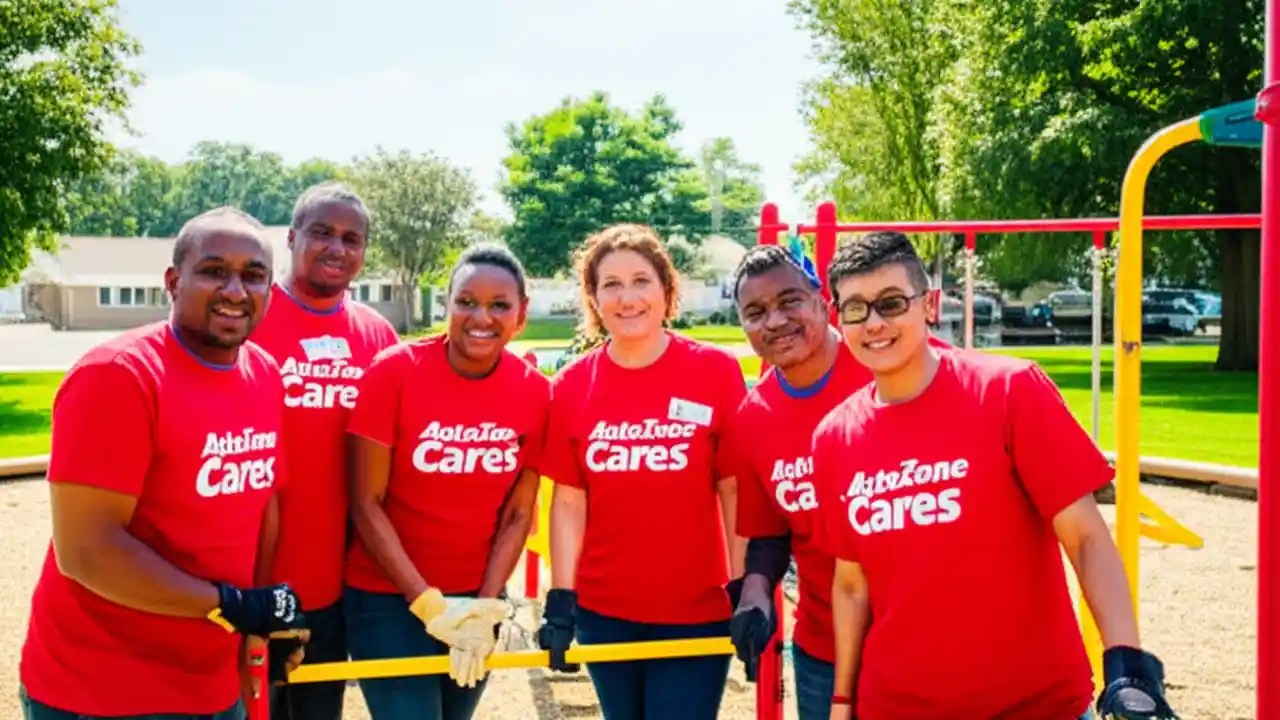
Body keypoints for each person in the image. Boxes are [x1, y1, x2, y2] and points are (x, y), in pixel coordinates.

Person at [811, 231, 1178, 720]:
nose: (874, 322)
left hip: (1032, 706)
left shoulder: (1009, 392)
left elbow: (1086, 539)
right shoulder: (834, 437)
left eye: (892, 302)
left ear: (929, 305)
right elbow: (852, 584)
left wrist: (1128, 663)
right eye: (855, 308)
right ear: (839, 318)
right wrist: (842, 701)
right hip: (895, 707)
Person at [17, 207, 308, 720]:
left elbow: (262, 509)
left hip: (213, 683)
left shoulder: (263, 373)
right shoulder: (117, 377)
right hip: (105, 690)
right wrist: (232, 605)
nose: (236, 290)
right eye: (215, 270)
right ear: (174, 282)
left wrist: (256, 624)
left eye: (254, 275)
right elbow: (88, 552)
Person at [536, 224, 748, 720]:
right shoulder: (571, 386)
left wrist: (744, 592)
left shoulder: (714, 372)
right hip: (604, 612)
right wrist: (561, 599)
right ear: (593, 298)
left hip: (696, 611)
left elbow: (734, 491)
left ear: (666, 290)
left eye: (641, 281)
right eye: (610, 285)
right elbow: (568, 502)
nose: (627, 297)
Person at [344, 242, 550, 720]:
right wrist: (428, 605)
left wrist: (483, 608)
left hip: (476, 598)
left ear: (521, 314)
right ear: (447, 305)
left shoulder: (536, 393)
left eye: (500, 305)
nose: (482, 316)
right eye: (467, 301)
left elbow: (520, 512)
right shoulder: (393, 374)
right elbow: (366, 503)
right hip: (388, 598)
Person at [249, 181, 400, 720]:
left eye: (351, 238)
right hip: (243, 577)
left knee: (317, 709)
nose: (337, 248)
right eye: (321, 233)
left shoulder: (378, 337)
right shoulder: (247, 319)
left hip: (333, 585)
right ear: (290, 238)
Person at [722, 243, 873, 720]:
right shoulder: (753, 419)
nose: (774, 321)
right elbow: (769, 532)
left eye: (789, 301)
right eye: (755, 312)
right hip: (824, 650)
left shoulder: (885, 367)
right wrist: (753, 595)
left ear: (821, 302)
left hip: (925, 641)